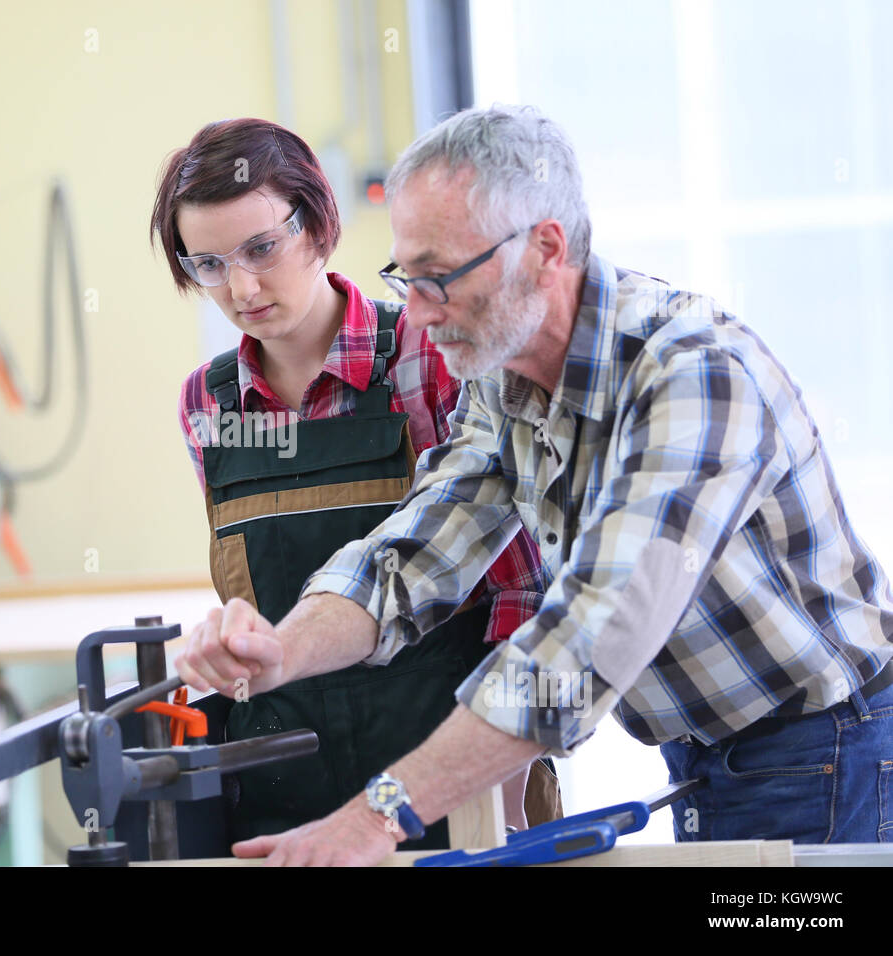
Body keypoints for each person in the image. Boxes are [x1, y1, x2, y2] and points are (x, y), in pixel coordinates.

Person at [174, 104, 893, 866]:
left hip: (830, 752)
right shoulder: (503, 381)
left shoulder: (693, 378)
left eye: (438, 278)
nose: (414, 311)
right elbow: (411, 556)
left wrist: (376, 815)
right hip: (705, 757)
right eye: (404, 278)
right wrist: (281, 652)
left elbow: (582, 648)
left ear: (544, 250)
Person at [150, 118, 556, 848]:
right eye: (208, 264)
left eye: (262, 248)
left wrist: (503, 793)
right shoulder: (207, 406)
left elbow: (519, 592)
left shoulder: (431, 358)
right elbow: (248, 599)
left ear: (317, 225)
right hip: (286, 792)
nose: (241, 287)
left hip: (443, 790)